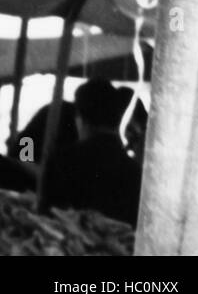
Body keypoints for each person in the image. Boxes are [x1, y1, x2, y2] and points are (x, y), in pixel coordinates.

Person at [47, 78, 142, 226]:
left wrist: (26, 160)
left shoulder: (61, 158)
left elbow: (25, 140)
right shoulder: (136, 171)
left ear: (80, 119)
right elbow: (26, 141)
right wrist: (26, 157)